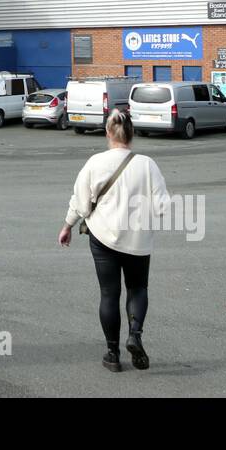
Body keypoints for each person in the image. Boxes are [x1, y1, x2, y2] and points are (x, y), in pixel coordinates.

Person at [59, 109, 169, 372]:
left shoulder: (95, 163)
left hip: (103, 237)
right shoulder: (148, 165)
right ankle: (135, 333)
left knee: (109, 293)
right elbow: (163, 206)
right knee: (138, 288)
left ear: (108, 133)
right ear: (132, 135)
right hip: (138, 239)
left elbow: (81, 203)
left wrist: (67, 225)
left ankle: (112, 353)